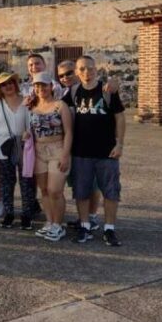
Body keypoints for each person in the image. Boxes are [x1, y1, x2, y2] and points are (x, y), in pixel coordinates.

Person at [63, 55, 126, 246]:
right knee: (81, 192)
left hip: (106, 152)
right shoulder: (73, 92)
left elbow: (120, 118)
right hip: (81, 152)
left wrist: (120, 144)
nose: (86, 73)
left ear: (96, 70)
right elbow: (55, 107)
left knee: (111, 192)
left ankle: (109, 229)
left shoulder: (107, 90)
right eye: (82, 69)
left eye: (90, 68)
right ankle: (84, 225)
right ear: (76, 72)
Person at [0, 73, 35, 229]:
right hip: (3, 148)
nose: (8, 86)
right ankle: (9, 213)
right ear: (0, 88)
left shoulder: (27, 103)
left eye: (10, 83)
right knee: (6, 183)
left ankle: (27, 214)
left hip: (24, 147)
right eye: (4, 85)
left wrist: (28, 133)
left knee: (27, 182)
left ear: (15, 84)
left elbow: (31, 124)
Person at [27, 72, 73, 241]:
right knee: (44, 190)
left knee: (55, 190)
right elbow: (30, 129)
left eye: (44, 85)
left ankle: (58, 225)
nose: (40, 88)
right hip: (39, 151)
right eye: (37, 85)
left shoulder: (60, 105)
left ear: (51, 86)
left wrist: (65, 155)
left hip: (57, 149)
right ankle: (49, 221)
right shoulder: (32, 106)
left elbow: (68, 132)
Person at [58, 59, 101, 232]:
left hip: (94, 145)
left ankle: (91, 217)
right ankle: (83, 218)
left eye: (68, 73)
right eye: (61, 75)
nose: (65, 77)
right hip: (74, 146)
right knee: (79, 185)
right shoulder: (68, 94)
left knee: (93, 185)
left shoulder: (94, 89)